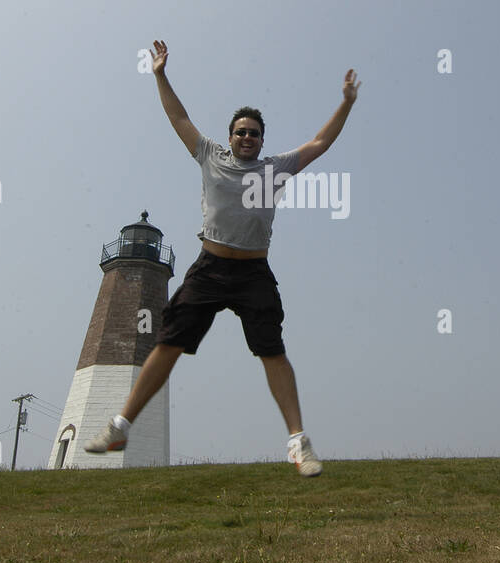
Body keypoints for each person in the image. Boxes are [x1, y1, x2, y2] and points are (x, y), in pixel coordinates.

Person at [84, 40, 360, 476]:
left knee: (271, 350)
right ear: (230, 137)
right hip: (209, 269)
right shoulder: (210, 155)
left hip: (253, 272)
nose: (247, 137)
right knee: (169, 341)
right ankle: (121, 424)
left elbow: (321, 142)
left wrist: (345, 103)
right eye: (241, 131)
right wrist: (160, 74)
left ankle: (298, 443)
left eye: (254, 132)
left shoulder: (276, 168)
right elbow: (179, 117)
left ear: (262, 140)